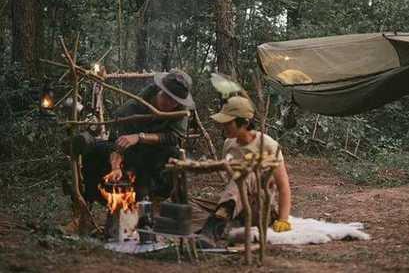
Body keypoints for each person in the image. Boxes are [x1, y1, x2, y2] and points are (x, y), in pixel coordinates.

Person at [78, 69, 195, 203]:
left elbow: (174, 137)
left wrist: (140, 137)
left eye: (174, 101)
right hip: (131, 154)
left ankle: (158, 198)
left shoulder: (180, 111)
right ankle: (88, 202)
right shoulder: (131, 109)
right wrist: (116, 166)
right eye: (166, 97)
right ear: (159, 90)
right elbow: (116, 145)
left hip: (157, 153)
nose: (169, 103)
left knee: (174, 156)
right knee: (94, 151)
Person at [198, 96, 292, 245]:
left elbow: (283, 186)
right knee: (188, 204)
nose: (224, 127)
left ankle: (213, 229)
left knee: (246, 173)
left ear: (245, 123)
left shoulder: (268, 145)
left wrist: (283, 219)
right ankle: (225, 222)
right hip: (236, 205)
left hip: (259, 208)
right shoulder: (229, 144)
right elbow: (230, 180)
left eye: (228, 123)